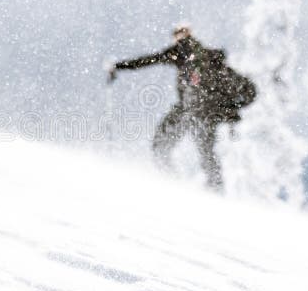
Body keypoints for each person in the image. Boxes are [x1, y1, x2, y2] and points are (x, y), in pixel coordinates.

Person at [108, 25, 255, 189]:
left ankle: (179, 184)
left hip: (196, 111)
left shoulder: (187, 54)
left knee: (166, 147)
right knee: (202, 154)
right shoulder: (201, 56)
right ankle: (204, 188)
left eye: (180, 35)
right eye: (177, 35)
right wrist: (232, 106)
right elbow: (249, 89)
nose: (179, 39)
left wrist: (119, 66)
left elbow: (147, 60)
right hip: (200, 111)